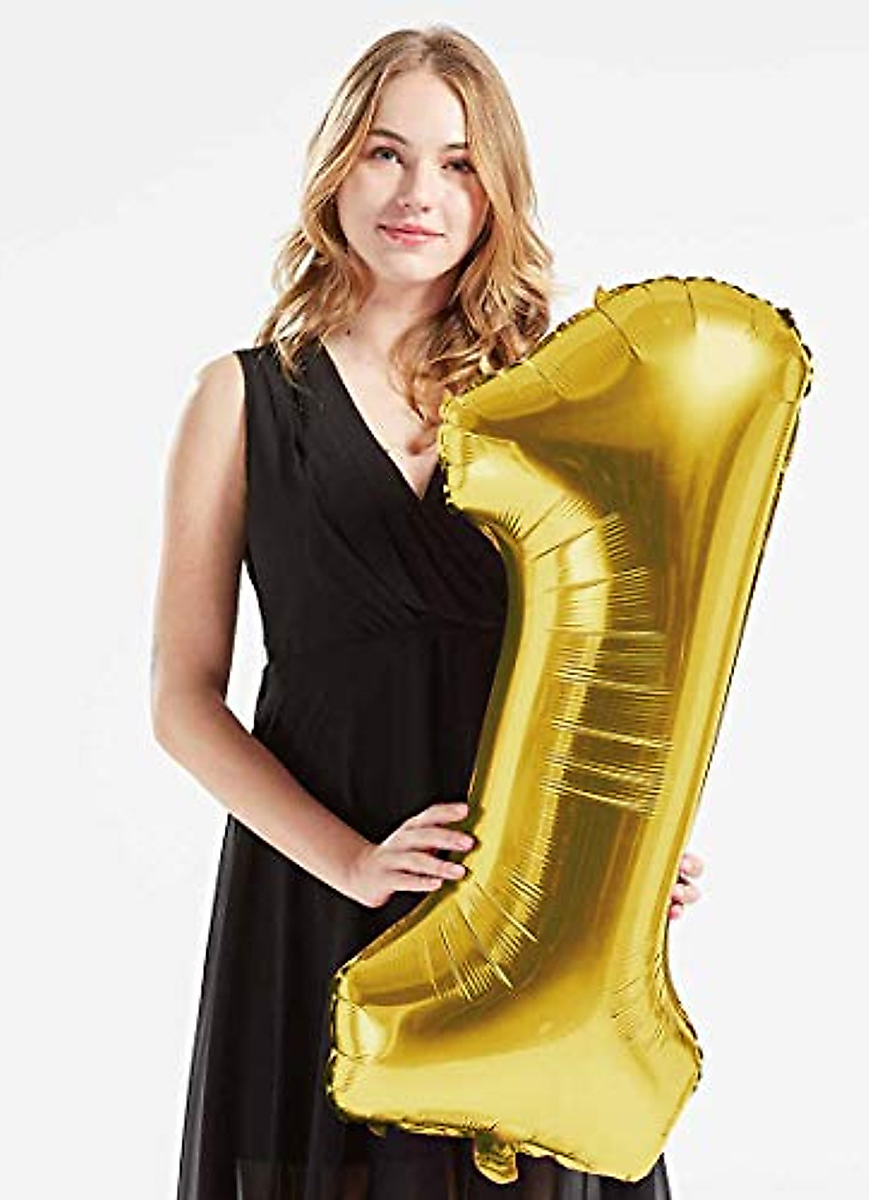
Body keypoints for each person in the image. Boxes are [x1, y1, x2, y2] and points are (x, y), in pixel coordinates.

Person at [151, 25, 705, 1200]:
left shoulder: (565, 399)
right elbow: (181, 699)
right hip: (316, 893)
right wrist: (352, 864)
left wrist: (629, 848)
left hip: (526, 905)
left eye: (457, 163)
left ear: (496, 190)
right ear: (335, 169)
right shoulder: (240, 401)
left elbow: (623, 665)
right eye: (386, 153)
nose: (418, 194)